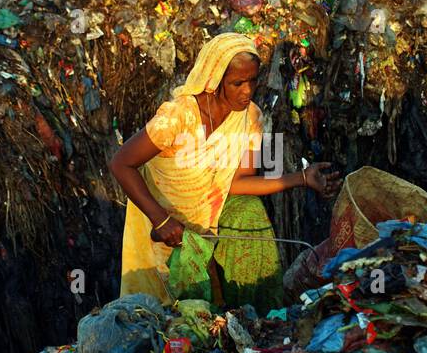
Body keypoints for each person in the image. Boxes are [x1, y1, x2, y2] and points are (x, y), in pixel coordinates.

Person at [109, 32, 341, 307]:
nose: (247, 91)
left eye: (253, 80)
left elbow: (237, 182)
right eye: (237, 83)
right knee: (155, 309)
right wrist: (161, 220)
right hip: (156, 220)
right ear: (214, 80)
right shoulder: (179, 116)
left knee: (247, 215)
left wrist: (301, 178)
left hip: (203, 225)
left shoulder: (250, 117)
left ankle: (253, 310)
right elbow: (121, 163)